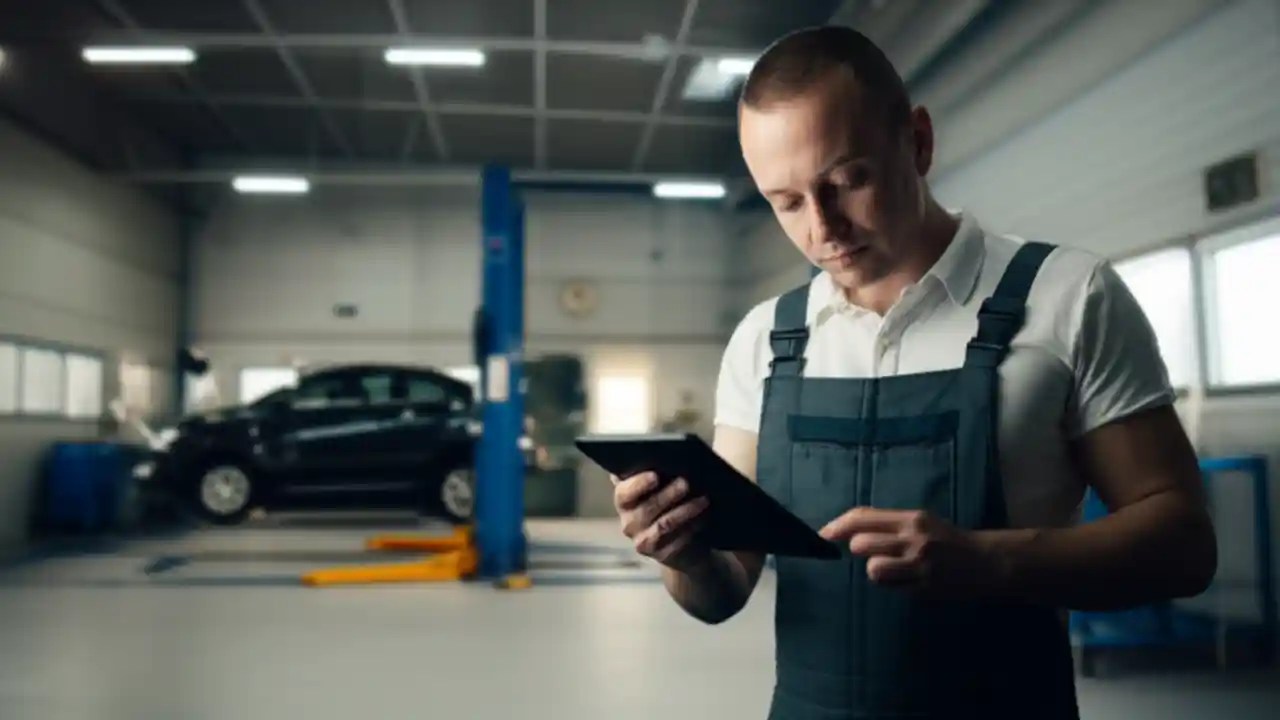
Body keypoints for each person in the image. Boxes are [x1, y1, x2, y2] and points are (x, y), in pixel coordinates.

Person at [611, 25, 1217, 719]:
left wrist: (991, 561)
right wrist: (683, 555)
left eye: (846, 181)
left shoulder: (1069, 297)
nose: (822, 229)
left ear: (919, 142)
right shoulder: (765, 341)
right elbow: (722, 593)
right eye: (786, 203)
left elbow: (1184, 544)